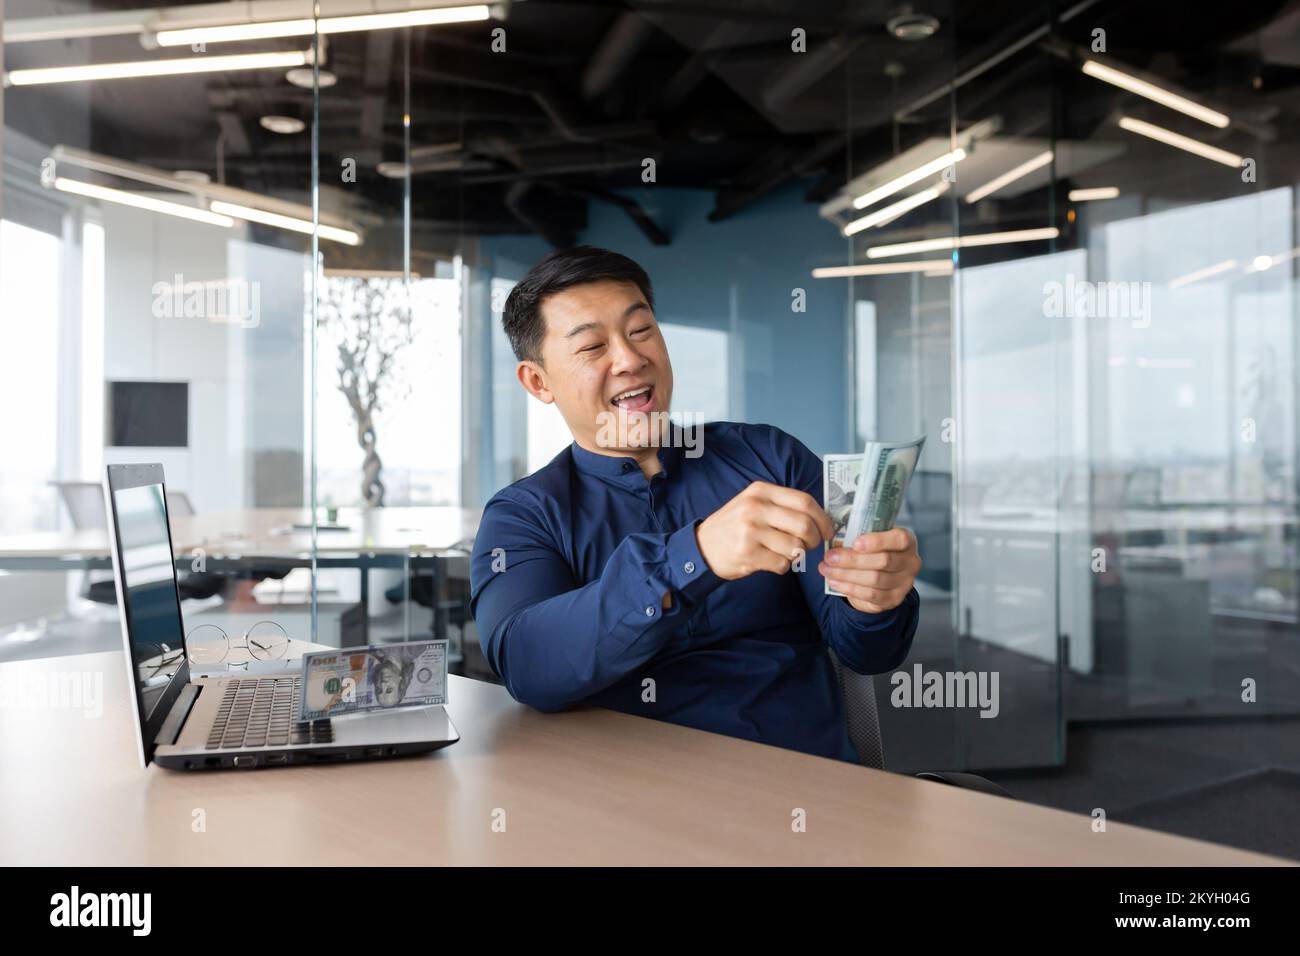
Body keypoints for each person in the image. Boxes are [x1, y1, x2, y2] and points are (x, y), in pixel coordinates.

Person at [469, 246, 921, 762]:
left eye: (641, 331)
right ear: (538, 381)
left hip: (802, 782)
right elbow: (529, 667)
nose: (631, 358)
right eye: (593, 345)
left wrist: (875, 597)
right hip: (626, 804)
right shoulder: (523, 516)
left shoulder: (769, 457)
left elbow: (868, 652)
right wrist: (694, 556)